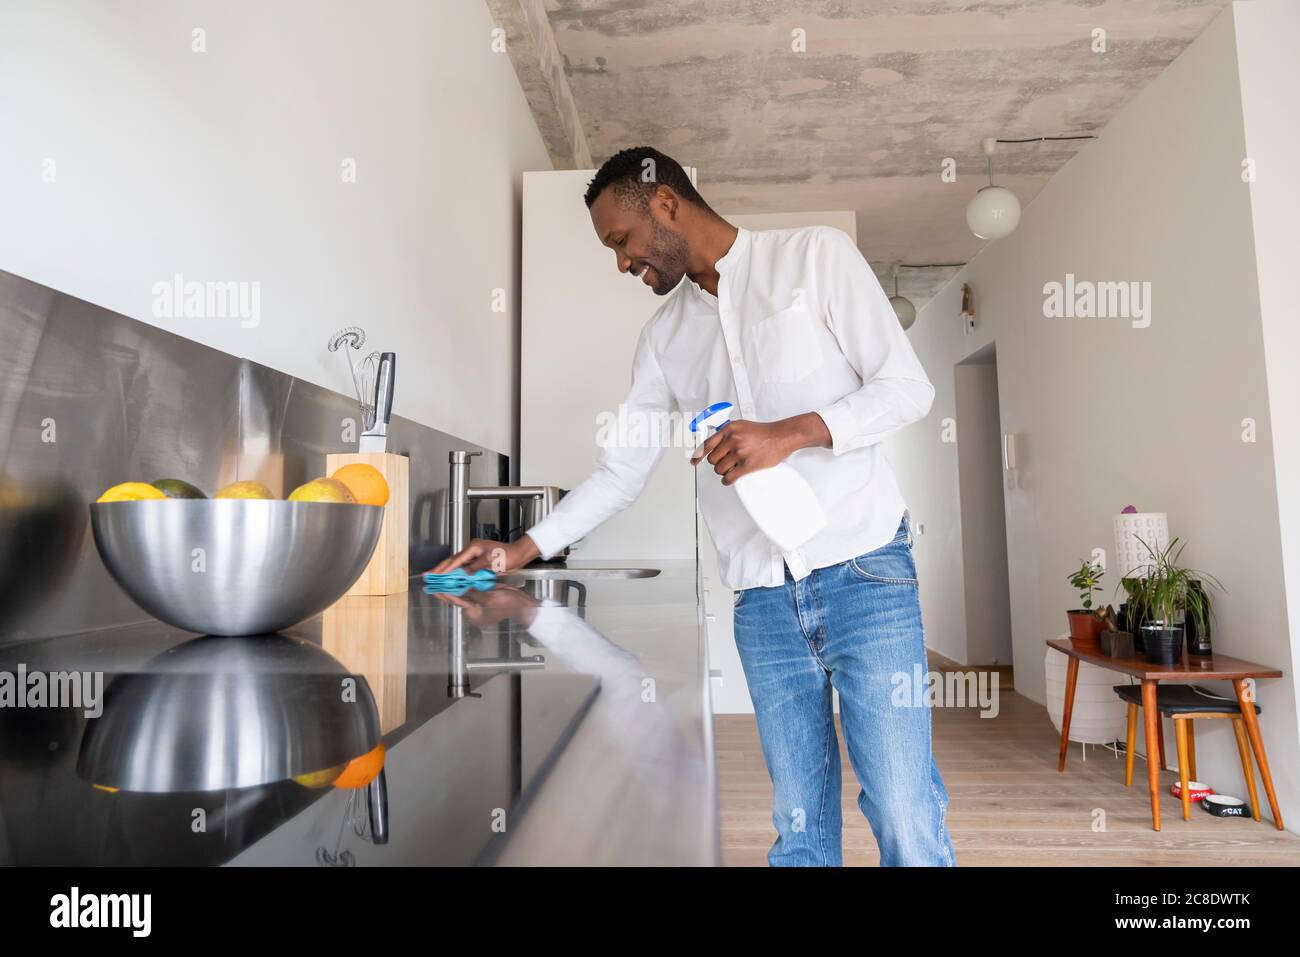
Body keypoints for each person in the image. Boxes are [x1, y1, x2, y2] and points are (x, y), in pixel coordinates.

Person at [432, 146, 955, 867]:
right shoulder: (665, 340)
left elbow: (906, 389)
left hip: (865, 570)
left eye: (622, 240)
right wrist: (518, 551)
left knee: (902, 807)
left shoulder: (814, 259)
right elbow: (621, 473)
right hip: (764, 604)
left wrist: (787, 433)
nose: (621, 263)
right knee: (800, 829)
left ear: (666, 204)